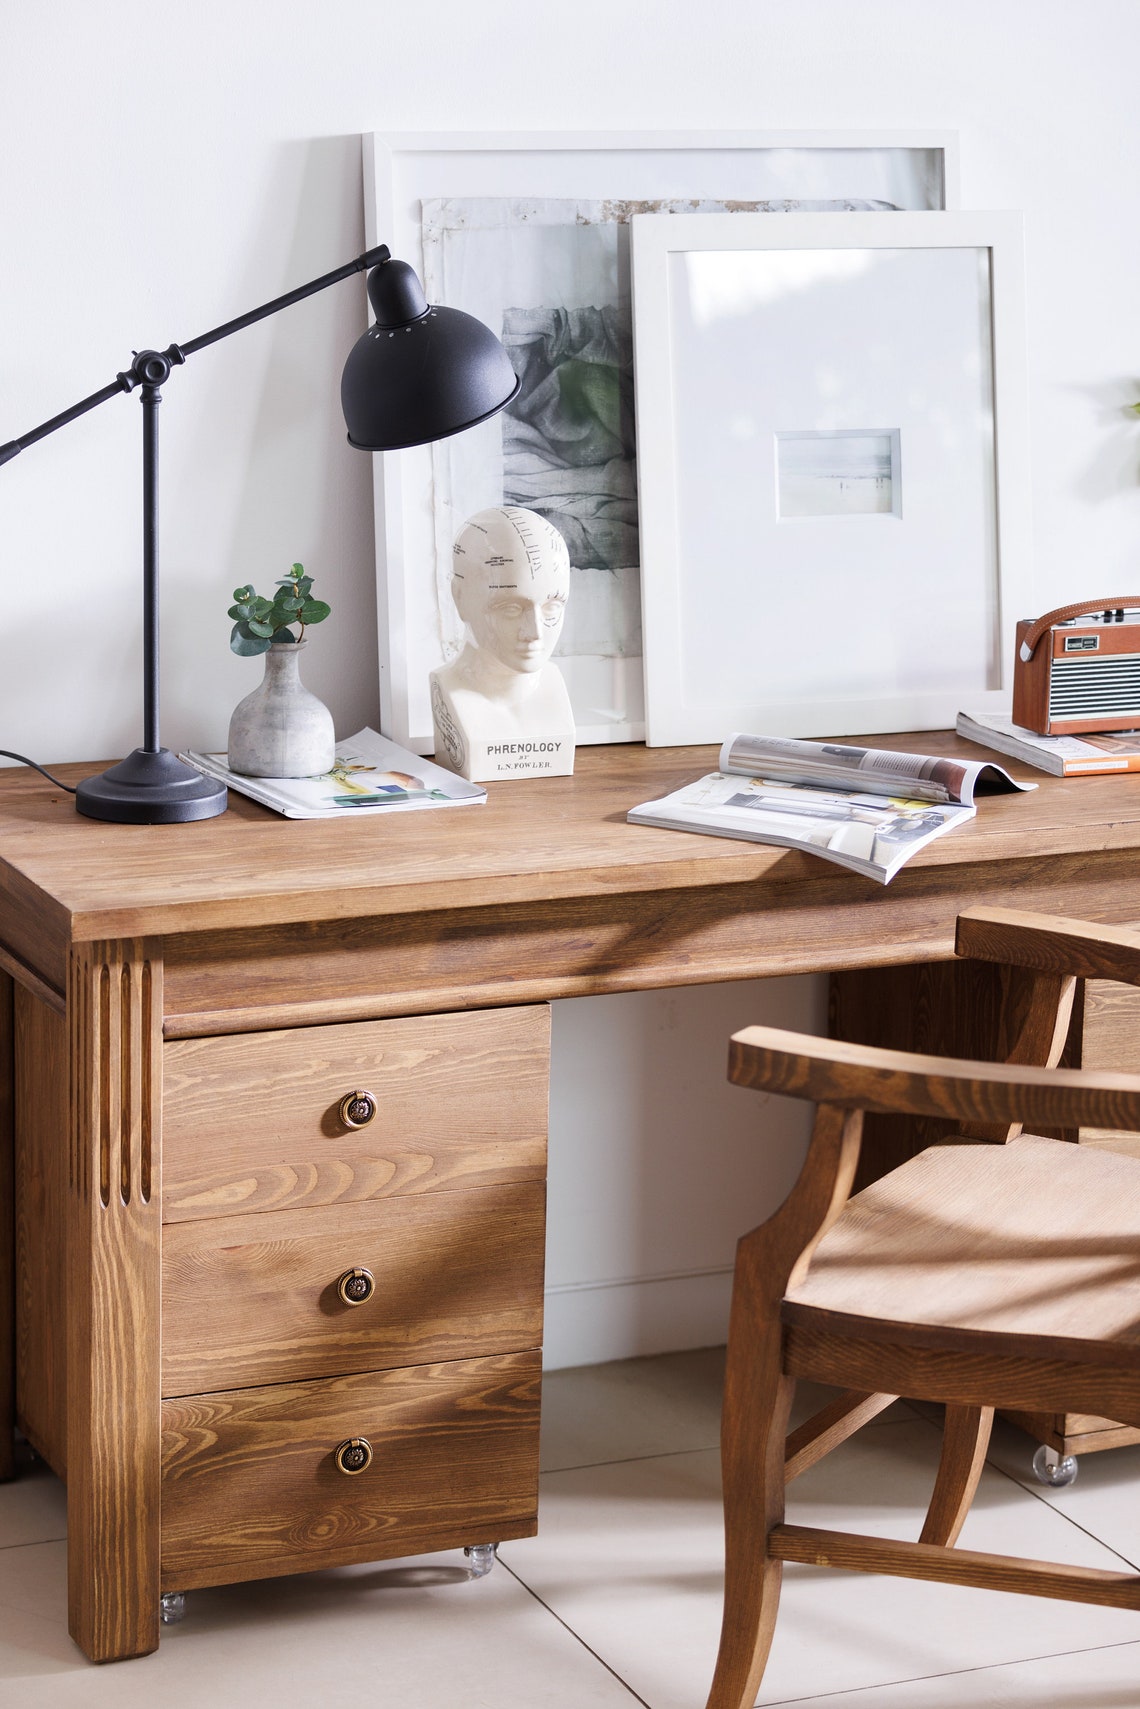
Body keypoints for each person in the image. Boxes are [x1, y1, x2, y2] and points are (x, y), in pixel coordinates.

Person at [430, 506, 575, 780]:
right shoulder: (451, 692)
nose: (534, 633)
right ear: (459, 598)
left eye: (551, 608)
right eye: (510, 609)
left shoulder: (554, 688)